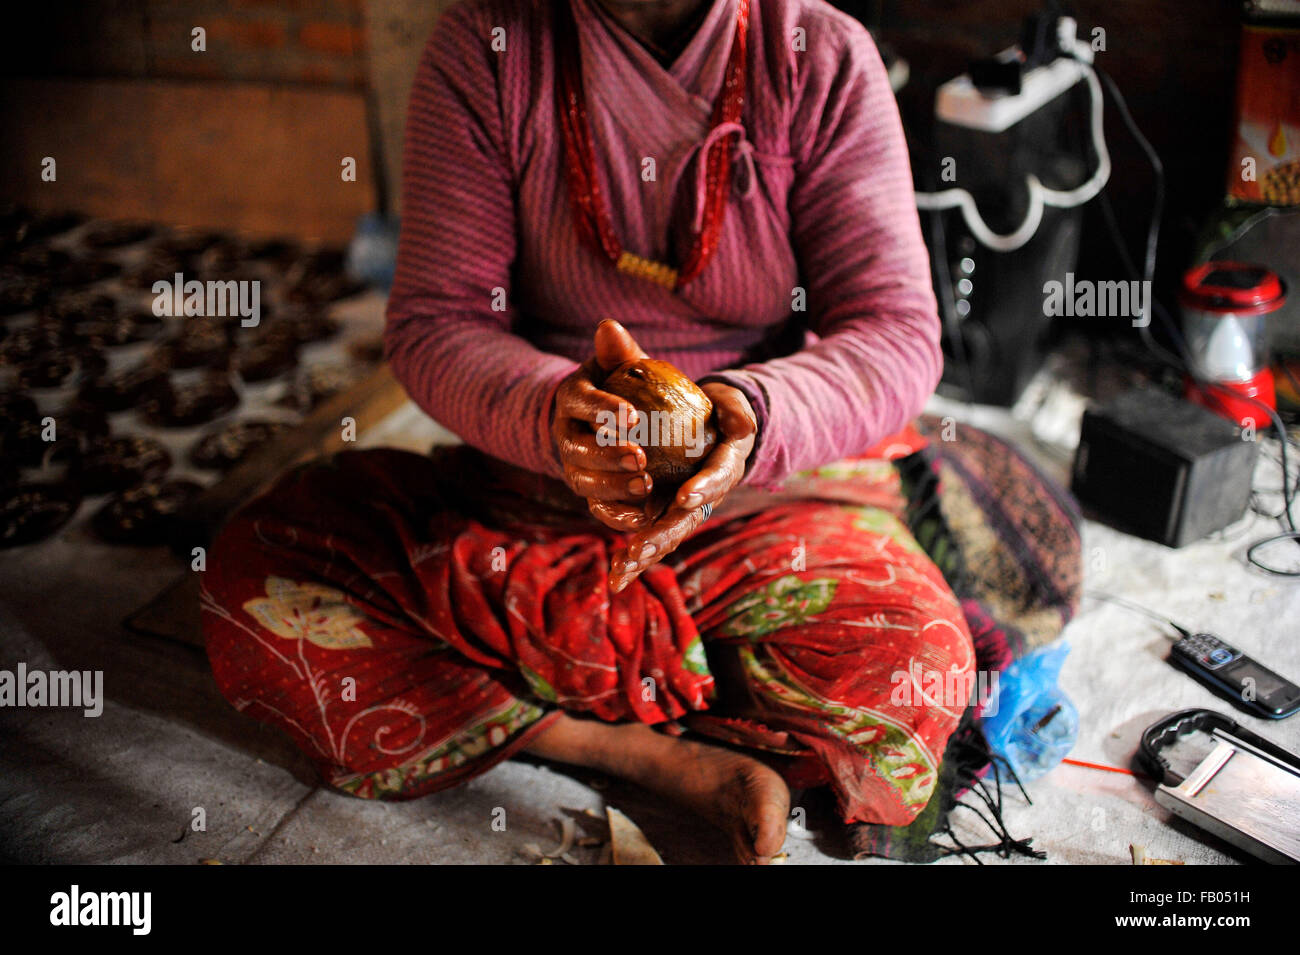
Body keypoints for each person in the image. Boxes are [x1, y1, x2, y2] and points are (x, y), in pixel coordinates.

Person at [202, 0, 975, 864]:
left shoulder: (819, 55)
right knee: (257, 575)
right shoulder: (489, 47)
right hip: (541, 485)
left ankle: (578, 683)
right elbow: (435, 322)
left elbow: (896, 331)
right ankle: (657, 757)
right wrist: (554, 414)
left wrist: (749, 420)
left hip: (765, 493)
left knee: (920, 661)